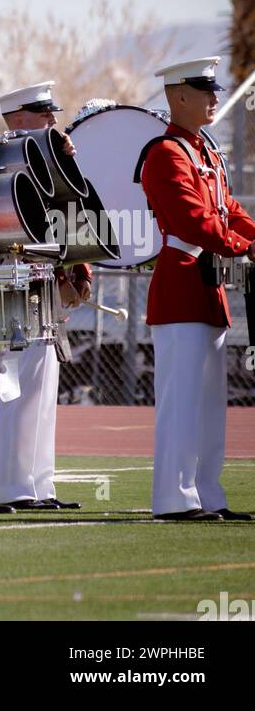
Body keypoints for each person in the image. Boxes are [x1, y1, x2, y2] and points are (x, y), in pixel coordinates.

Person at [139, 57, 255, 521]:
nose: (214, 99)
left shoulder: (203, 151)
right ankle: (174, 497)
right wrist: (243, 244)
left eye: (215, 91)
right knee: (182, 402)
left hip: (208, 287)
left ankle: (207, 494)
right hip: (182, 283)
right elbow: (193, 219)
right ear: (178, 96)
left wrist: (251, 236)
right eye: (204, 91)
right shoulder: (166, 153)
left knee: (209, 406)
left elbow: (226, 208)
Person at [0, 81, 89, 511]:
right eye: (42, 114)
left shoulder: (51, 162)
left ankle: (39, 484)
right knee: (21, 386)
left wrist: (78, 270)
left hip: (44, 278)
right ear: (17, 119)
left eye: (52, 113)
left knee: (45, 390)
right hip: (14, 277)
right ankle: (13, 485)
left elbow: (67, 217)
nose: (52, 120)